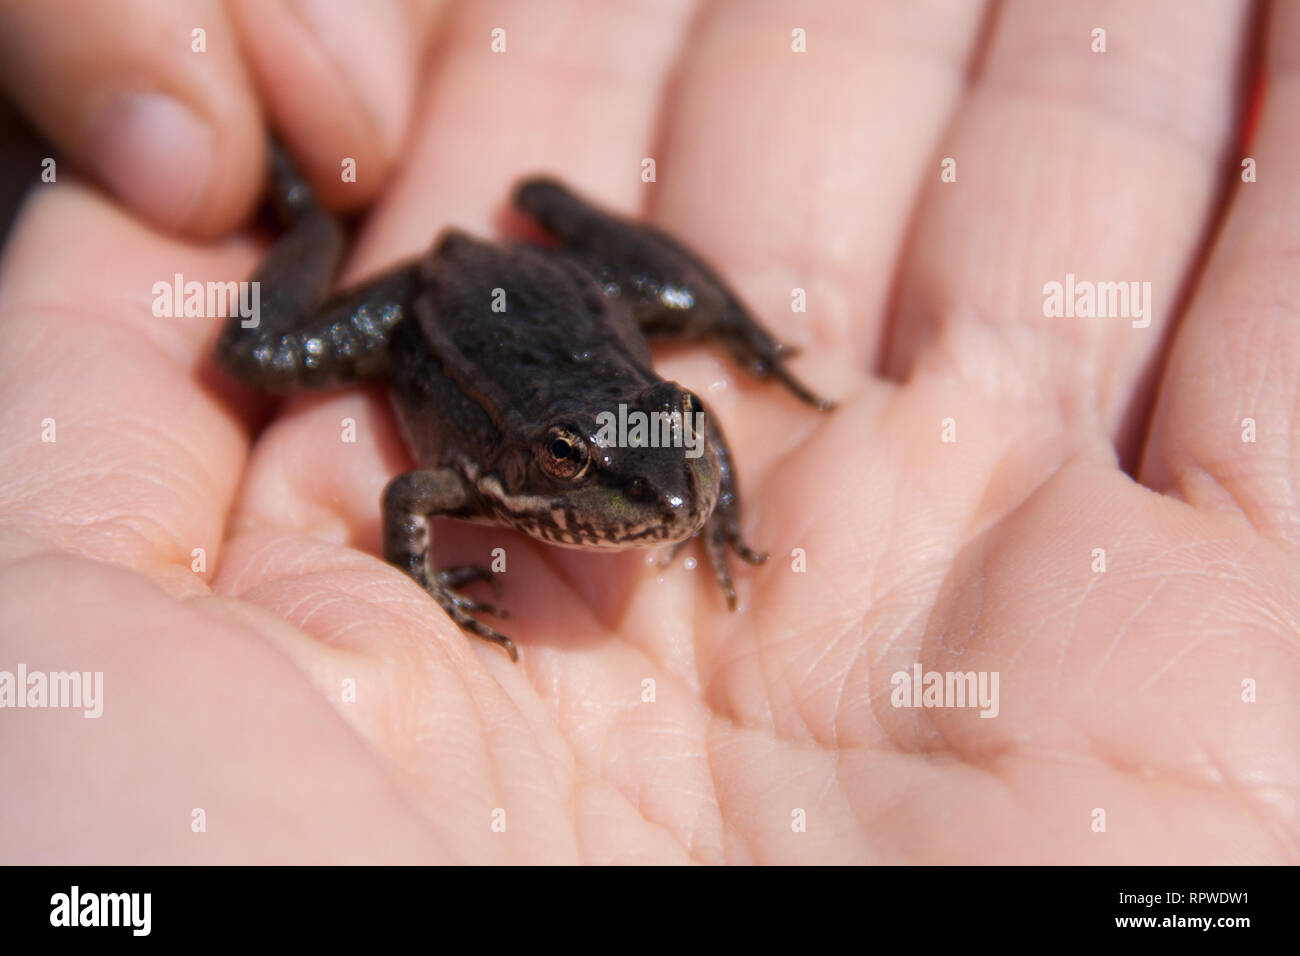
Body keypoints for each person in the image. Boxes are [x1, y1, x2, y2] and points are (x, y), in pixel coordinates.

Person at [0, 0, 1294, 864]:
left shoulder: (654, 441)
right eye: (597, 478)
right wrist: (435, 589)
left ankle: (613, 248)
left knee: (685, 327)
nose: (657, 495)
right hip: (432, 310)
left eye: (671, 455)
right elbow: (412, 505)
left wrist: (716, 491)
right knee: (260, 356)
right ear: (539, 476)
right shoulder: (487, 478)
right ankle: (312, 216)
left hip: (582, 313)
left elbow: (674, 441)